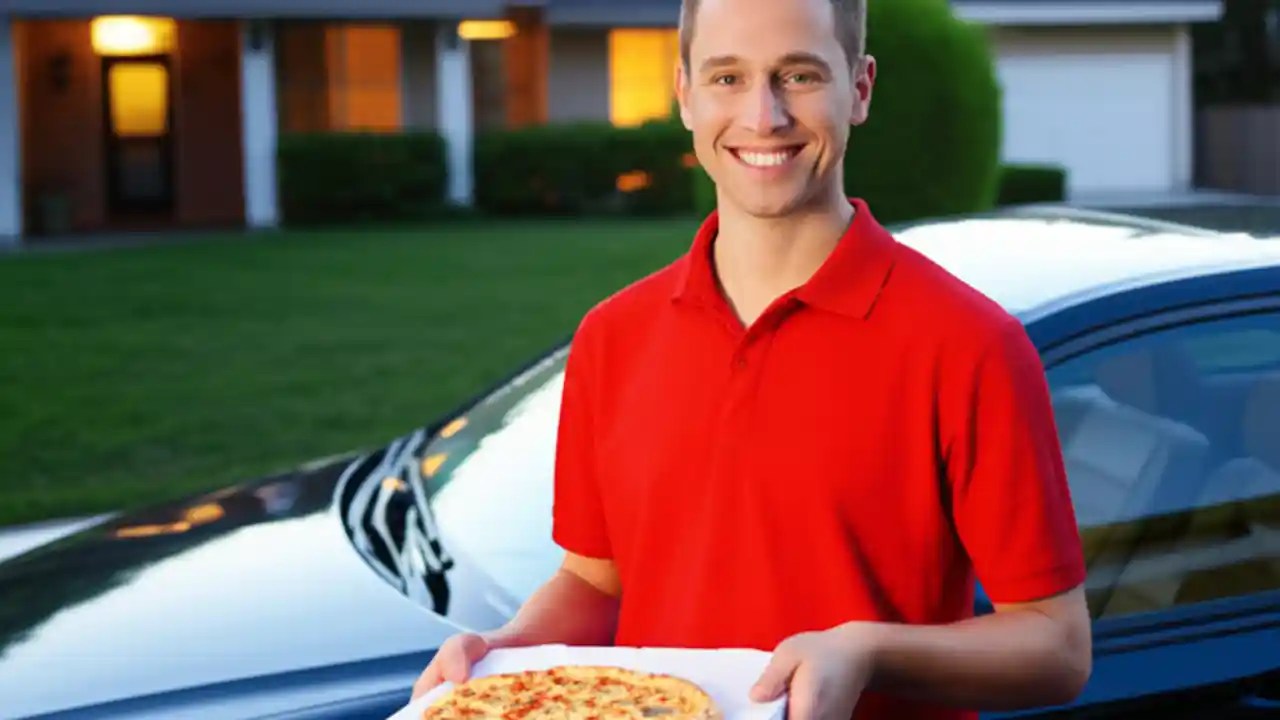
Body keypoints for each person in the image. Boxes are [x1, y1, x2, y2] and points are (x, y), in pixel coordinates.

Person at [412, 0, 1092, 717]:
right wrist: (507, 653)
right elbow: (598, 583)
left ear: (859, 89)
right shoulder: (614, 337)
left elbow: (1056, 648)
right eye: (727, 78)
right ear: (684, 94)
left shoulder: (968, 343)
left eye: (797, 76)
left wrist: (868, 652)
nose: (763, 117)